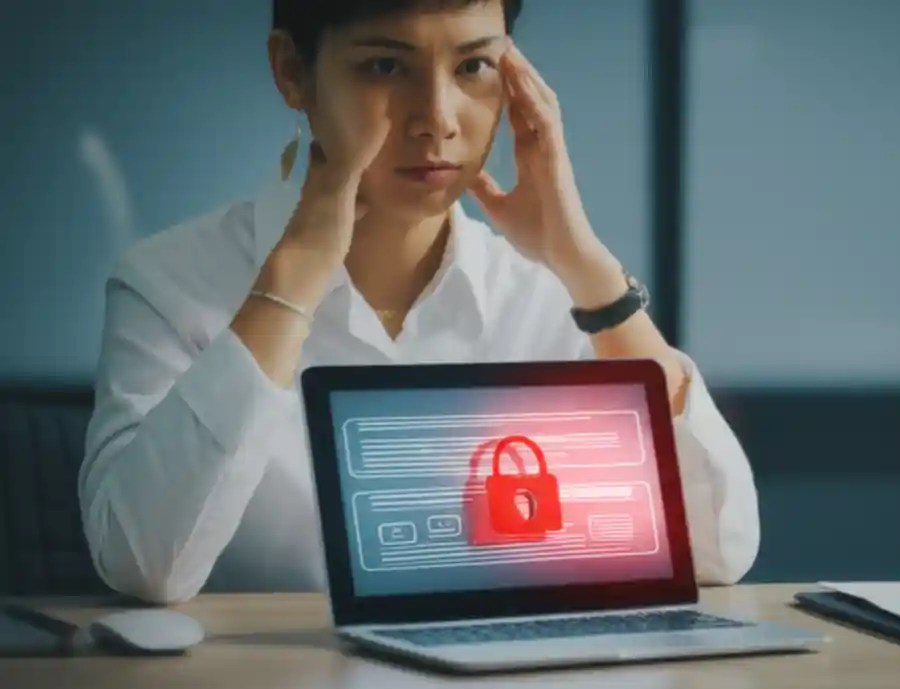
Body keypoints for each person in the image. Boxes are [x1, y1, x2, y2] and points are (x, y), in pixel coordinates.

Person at [77, 0, 758, 605]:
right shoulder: (168, 283)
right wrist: (288, 285)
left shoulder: (548, 296)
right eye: (383, 67)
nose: (436, 119)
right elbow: (142, 567)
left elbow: (720, 552)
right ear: (292, 72)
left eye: (472, 68)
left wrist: (589, 272)